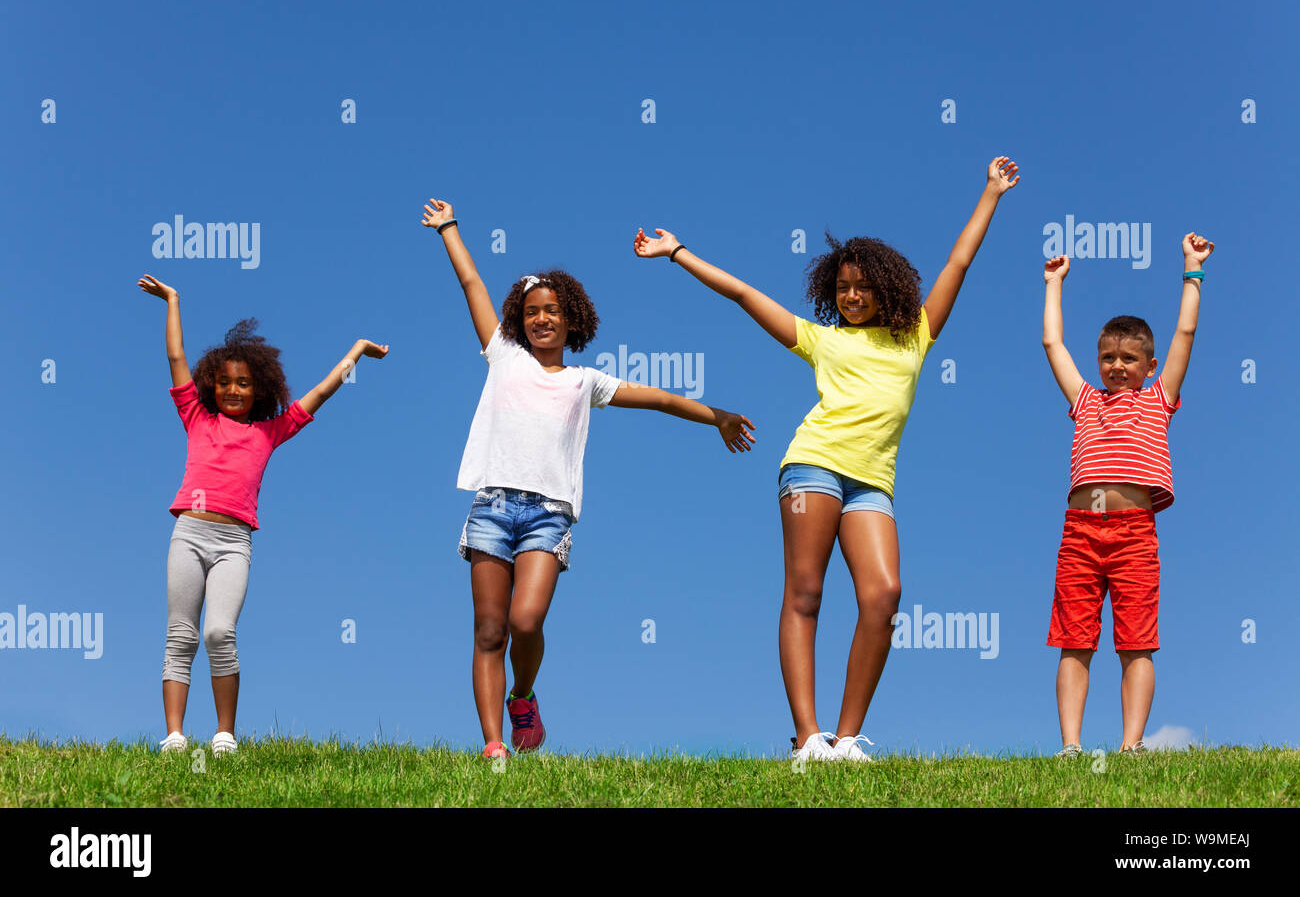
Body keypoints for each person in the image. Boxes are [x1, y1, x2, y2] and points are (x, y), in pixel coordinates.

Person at [633, 156, 1020, 762]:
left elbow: (958, 262)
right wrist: (679, 252)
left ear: (887, 287)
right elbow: (742, 294)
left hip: (873, 483)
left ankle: (846, 739)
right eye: (842, 287)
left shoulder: (915, 334)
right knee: (805, 594)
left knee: (883, 594)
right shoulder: (822, 338)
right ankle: (807, 738)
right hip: (812, 465)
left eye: (862, 285)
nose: (852, 294)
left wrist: (991, 193)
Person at [423, 197, 755, 759]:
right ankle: (493, 746)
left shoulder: (586, 382)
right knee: (488, 629)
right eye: (532, 311)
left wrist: (716, 415)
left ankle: (523, 695)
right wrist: (450, 229)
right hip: (492, 506)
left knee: (525, 621)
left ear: (572, 319)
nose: (542, 318)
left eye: (552, 310)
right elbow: (472, 282)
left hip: (548, 515)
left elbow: (662, 399)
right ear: (518, 322)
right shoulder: (503, 355)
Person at [138, 274, 388, 756]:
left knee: (219, 632)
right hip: (188, 534)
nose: (233, 390)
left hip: (235, 543)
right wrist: (173, 300)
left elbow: (322, 392)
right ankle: (173, 735)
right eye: (225, 382)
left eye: (244, 384)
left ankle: (225, 735)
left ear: (260, 390)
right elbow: (176, 358)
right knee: (180, 634)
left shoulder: (269, 432)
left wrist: (356, 351)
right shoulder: (197, 417)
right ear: (212, 385)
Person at [1041, 232, 1213, 757]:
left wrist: (1192, 270)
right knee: (1076, 640)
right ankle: (1071, 746)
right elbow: (1053, 344)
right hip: (1080, 532)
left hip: (1135, 533)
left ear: (1150, 367)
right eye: (1108, 356)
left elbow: (1185, 330)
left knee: (1137, 642)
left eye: (1129, 358)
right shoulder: (1084, 399)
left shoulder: (1160, 398)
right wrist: (1053, 285)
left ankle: (1131, 746)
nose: (1117, 366)